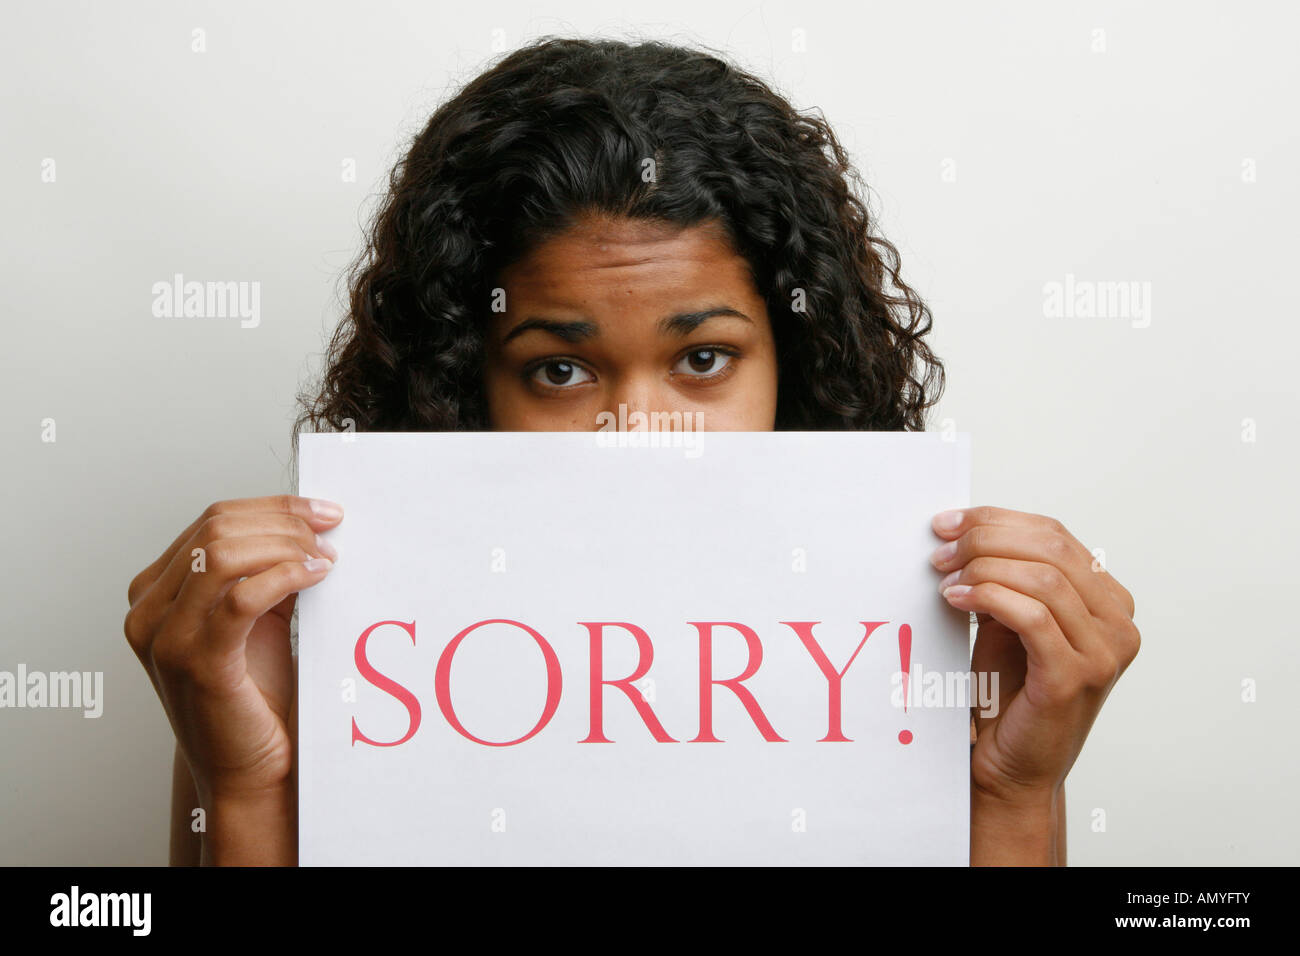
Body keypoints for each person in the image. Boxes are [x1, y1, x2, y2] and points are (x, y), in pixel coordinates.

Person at [122, 36, 1139, 866]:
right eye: (559, 370)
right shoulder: (300, 664)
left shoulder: (926, 656)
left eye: (702, 357)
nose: (641, 430)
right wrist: (246, 788)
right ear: (461, 375)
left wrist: (1014, 791)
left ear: (797, 354)